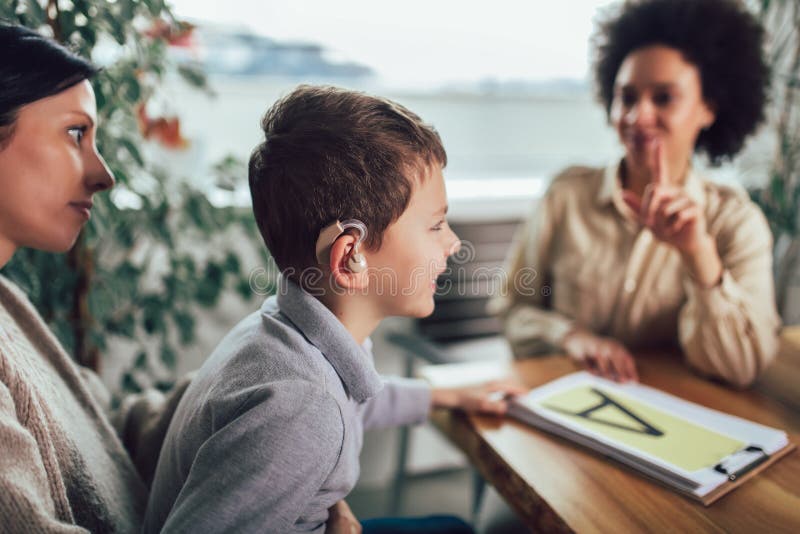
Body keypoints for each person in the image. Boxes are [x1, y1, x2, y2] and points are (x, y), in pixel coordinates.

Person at [143, 85, 524, 533]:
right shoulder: (300, 408)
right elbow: (318, 413)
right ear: (350, 259)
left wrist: (444, 396)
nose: (453, 242)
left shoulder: (293, 335)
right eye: (436, 225)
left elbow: (357, 399)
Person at [489, 0, 781, 389]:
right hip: (566, 407)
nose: (637, 115)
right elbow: (511, 310)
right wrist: (570, 336)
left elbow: (740, 367)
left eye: (663, 98)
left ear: (709, 108)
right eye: (626, 97)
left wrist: (698, 255)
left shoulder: (735, 223)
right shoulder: (566, 197)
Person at [0, 22, 191, 532]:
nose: (103, 174)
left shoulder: (7, 302)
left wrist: (264, 378)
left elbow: (106, 426)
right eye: (75, 133)